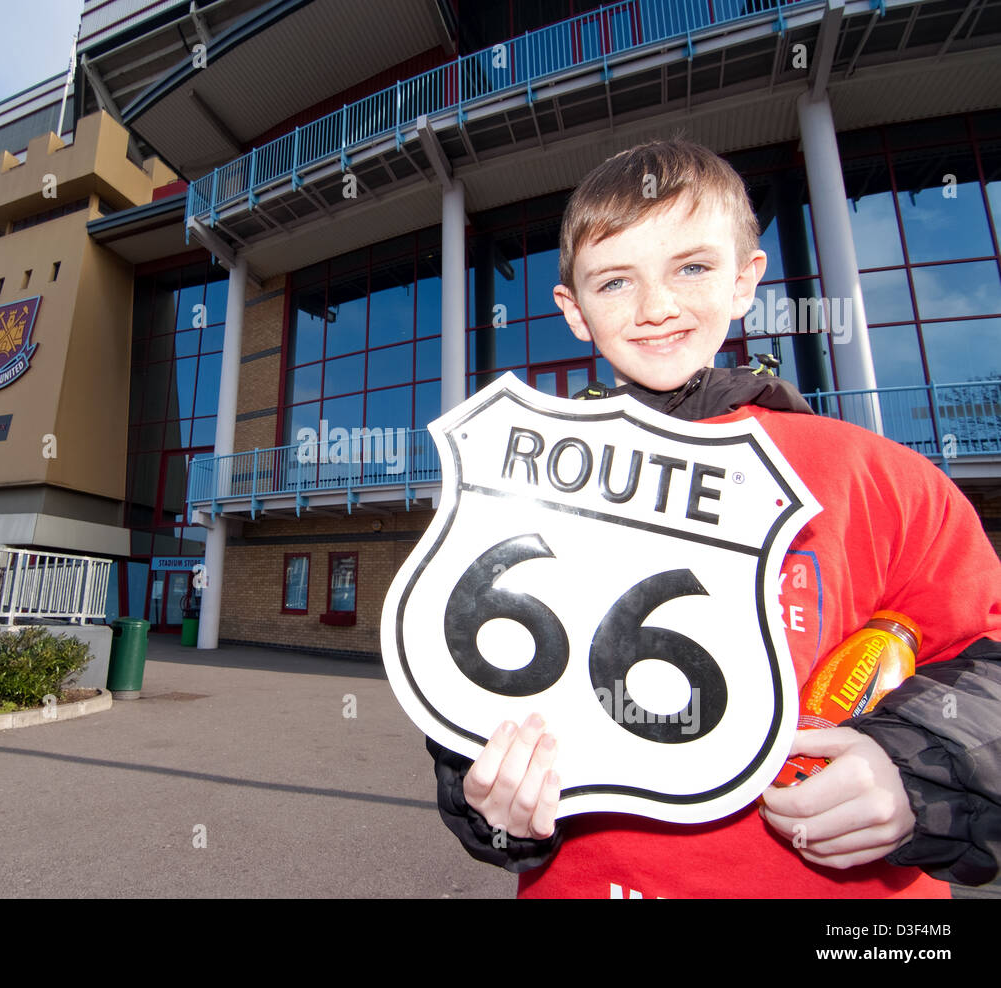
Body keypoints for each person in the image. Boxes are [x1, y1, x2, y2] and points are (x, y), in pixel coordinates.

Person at [427, 137, 1001, 898]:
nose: (658, 308)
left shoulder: (876, 475)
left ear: (745, 280)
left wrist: (918, 769)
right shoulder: (522, 488)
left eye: (692, 267)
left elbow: (987, 651)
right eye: (615, 281)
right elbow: (464, 692)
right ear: (572, 310)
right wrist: (490, 803)